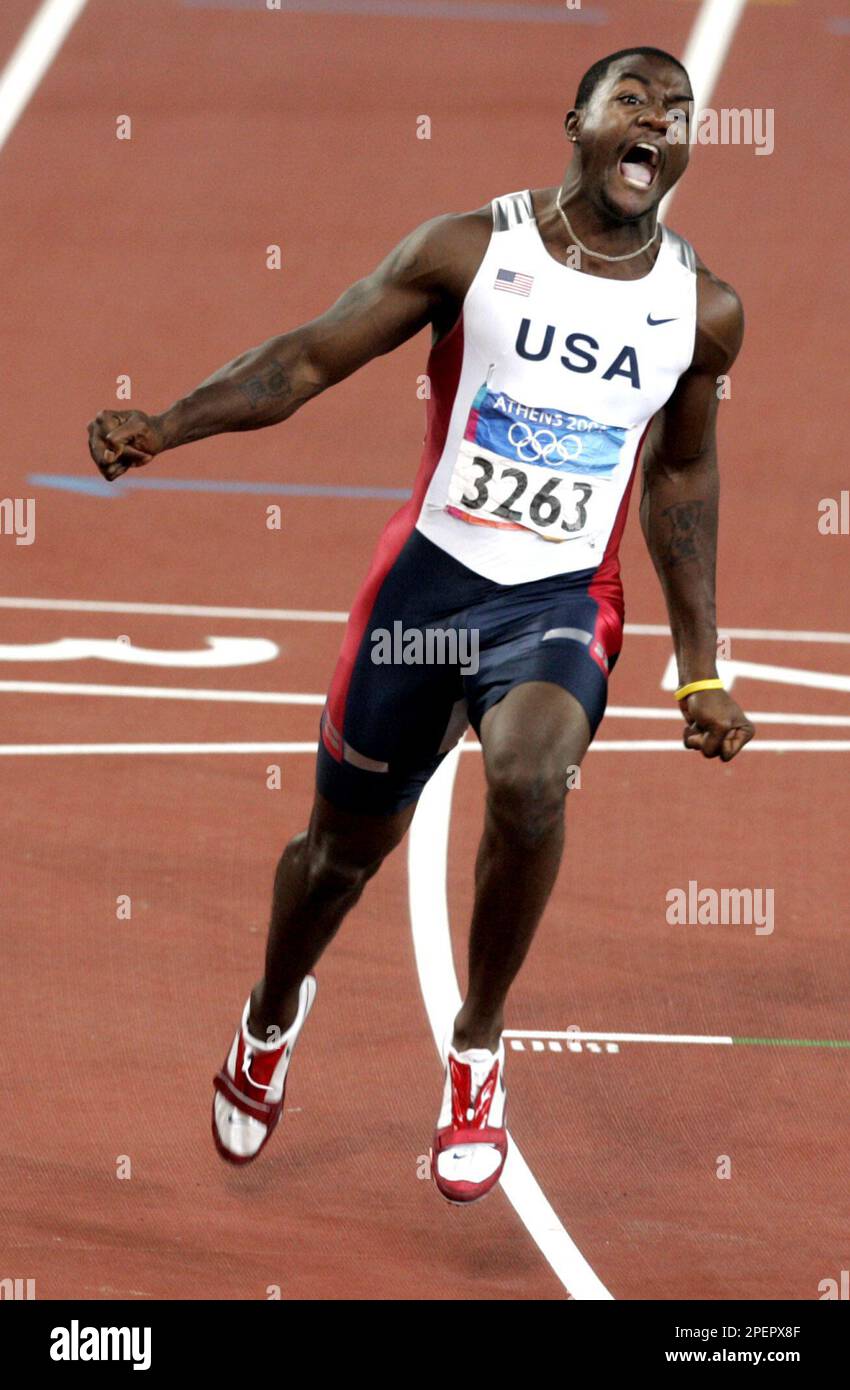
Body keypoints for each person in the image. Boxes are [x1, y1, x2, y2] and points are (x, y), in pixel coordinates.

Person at [88, 46, 755, 1205]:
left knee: (532, 775)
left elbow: (682, 479)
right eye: (633, 100)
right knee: (335, 860)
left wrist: (701, 670)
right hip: (424, 596)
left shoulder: (699, 310)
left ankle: (478, 1047)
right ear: (577, 124)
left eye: (679, 111)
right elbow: (305, 357)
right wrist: (167, 425)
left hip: (558, 603)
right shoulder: (465, 251)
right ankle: (268, 1014)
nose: (659, 120)